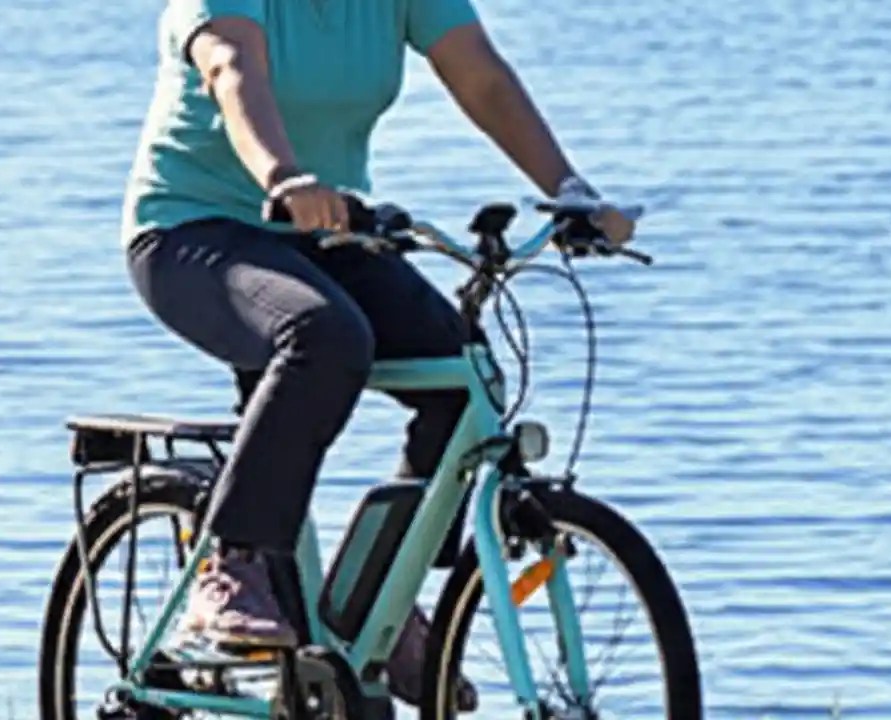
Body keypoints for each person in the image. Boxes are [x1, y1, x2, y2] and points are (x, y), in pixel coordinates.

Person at [120, 0, 636, 708]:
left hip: (322, 232)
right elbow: (232, 68)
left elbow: (480, 76)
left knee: (464, 376)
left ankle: (379, 602)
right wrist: (284, 178)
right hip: (192, 233)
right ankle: (233, 567)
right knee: (324, 336)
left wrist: (571, 192)